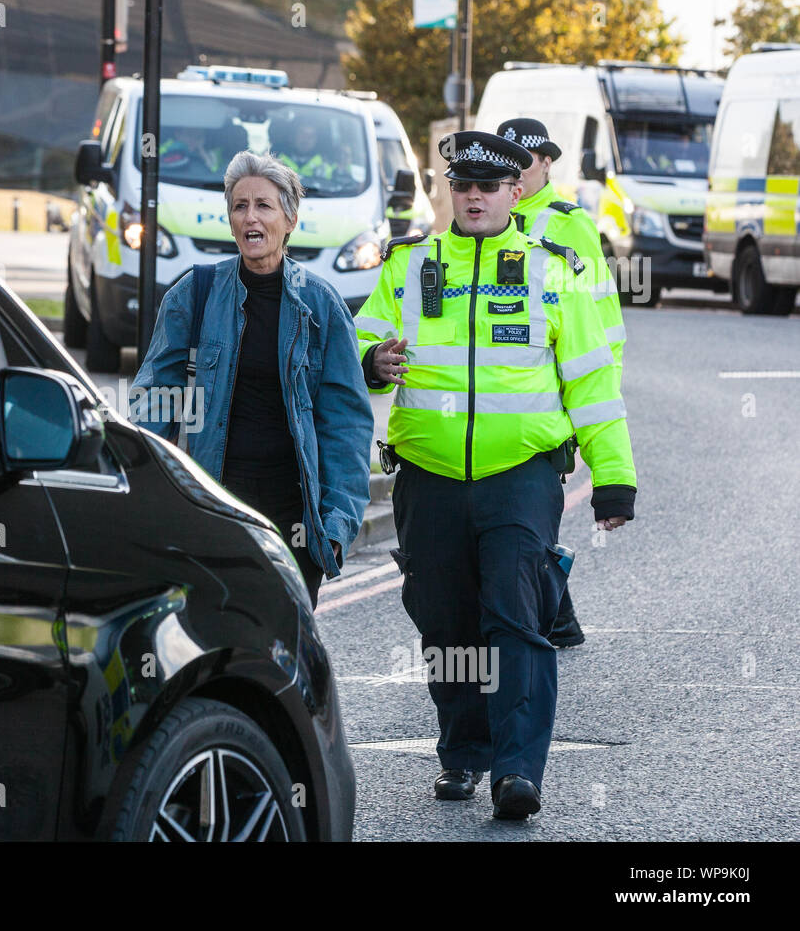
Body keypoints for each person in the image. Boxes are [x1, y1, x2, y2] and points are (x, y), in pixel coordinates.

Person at [354, 130, 636, 820]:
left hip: (522, 473)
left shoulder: (553, 267)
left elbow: (592, 381)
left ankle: (517, 771)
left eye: (489, 186)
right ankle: (463, 751)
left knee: (515, 615)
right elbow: (361, 334)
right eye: (463, 186)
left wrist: (614, 476)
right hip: (429, 473)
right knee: (444, 620)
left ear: (517, 191)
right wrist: (372, 360)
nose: (474, 196)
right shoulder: (408, 265)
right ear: (451, 193)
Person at [129, 150, 373, 606]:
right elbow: (154, 403)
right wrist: (149, 497)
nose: (250, 217)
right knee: (216, 639)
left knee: (287, 650)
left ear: (290, 220)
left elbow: (346, 422)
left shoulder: (321, 306)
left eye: (263, 205)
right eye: (239, 206)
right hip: (213, 505)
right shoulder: (193, 294)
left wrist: (337, 524)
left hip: (293, 512)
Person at [498, 117, 627, 649]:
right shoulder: (481, 217)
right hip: (498, 401)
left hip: (550, 401)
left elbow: (603, 323)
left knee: (531, 519)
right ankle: (557, 619)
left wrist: (594, 404)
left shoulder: (569, 225)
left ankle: (546, 621)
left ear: (547, 163)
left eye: (524, 164)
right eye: (506, 166)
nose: (517, 176)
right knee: (525, 526)